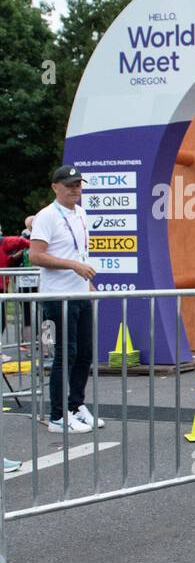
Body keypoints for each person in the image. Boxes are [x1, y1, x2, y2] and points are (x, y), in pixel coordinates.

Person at [28, 166, 104, 434]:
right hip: (57, 296)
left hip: (80, 293)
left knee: (84, 354)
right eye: (69, 185)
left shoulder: (81, 213)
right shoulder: (47, 216)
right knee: (65, 354)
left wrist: (87, 281)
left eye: (78, 185)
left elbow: (78, 253)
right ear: (55, 187)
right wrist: (72, 266)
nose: (75, 189)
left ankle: (76, 405)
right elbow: (36, 255)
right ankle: (57, 415)